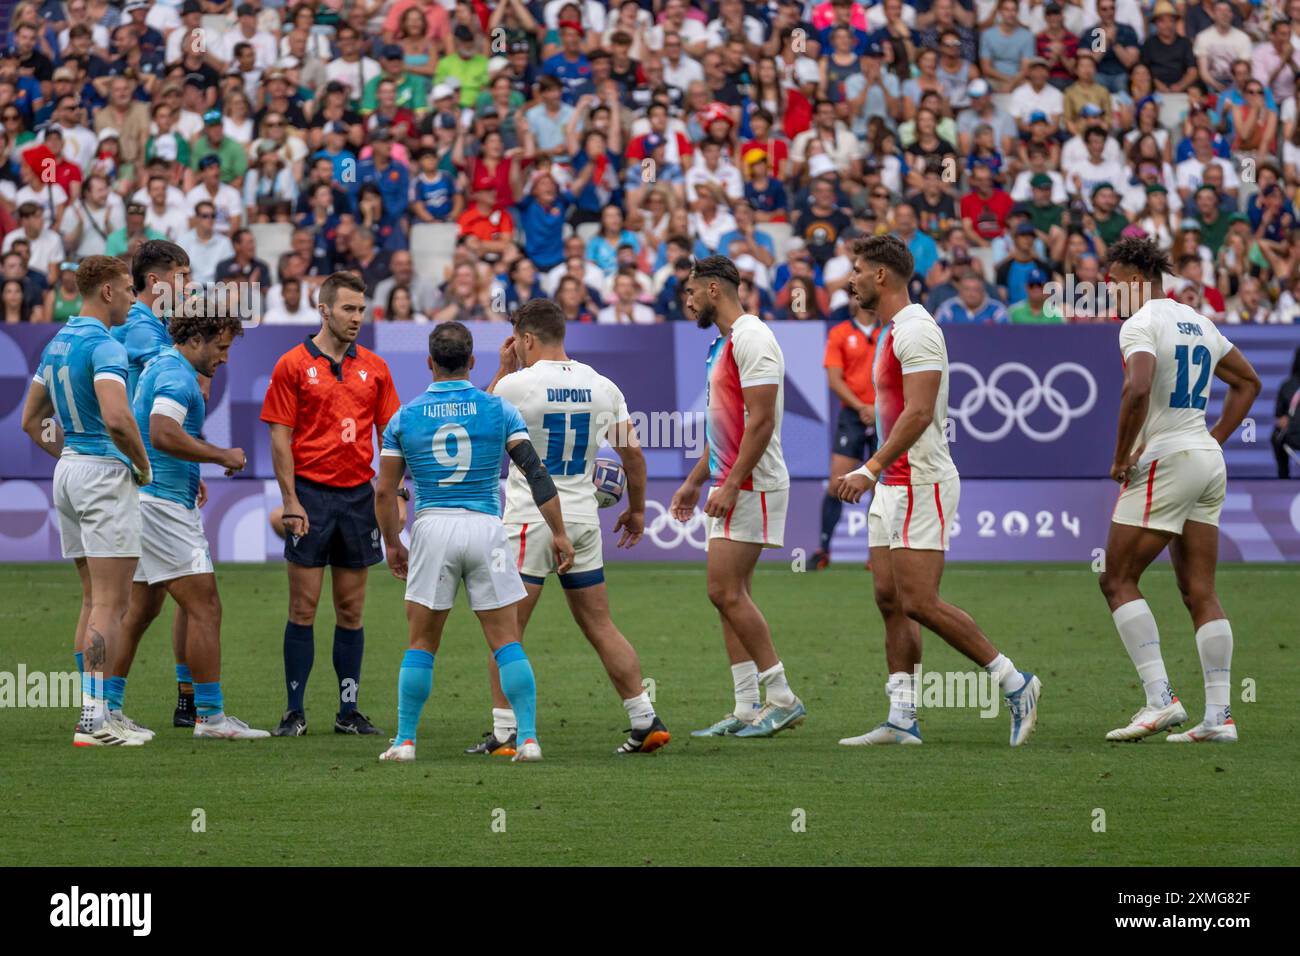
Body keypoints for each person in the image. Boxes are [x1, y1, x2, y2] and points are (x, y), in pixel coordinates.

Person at [835, 234, 1041, 747]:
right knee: (888, 597)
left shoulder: (918, 330)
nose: (850, 279)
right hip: (894, 484)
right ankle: (902, 717)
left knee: (920, 602)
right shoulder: (889, 330)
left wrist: (871, 466)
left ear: (881, 276)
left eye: (857, 269)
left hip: (919, 479)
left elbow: (921, 411)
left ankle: (1016, 684)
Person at [470, 298, 668, 755]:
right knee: (600, 624)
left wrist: (501, 371)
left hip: (530, 518)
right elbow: (633, 455)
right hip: (581, 518)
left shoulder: (516, 384)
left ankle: (505, 732)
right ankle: (644, 717)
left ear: (525, 340)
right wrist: (637, 510)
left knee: (507, 631)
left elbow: (481, 425)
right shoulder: (602, 385)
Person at [374, 321, 574, 763]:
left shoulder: (404, 417)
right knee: (506, 641)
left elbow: (385, 491)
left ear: (429, 363)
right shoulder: (498, 410)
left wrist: (392, 542)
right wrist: (558, 532)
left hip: (432, 529)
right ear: (471, 363)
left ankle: (405, 741)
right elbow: (535, 473)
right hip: (486, 527)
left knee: (421, 642)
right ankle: (527, 739)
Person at [1098, 235, 1262, 743]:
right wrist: (1213, 439)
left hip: (1166, 458)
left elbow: (1138, 387)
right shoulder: (1198, 319)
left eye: (1111, 278)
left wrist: (1122, 454)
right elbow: (1248, 382)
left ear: (1132, 276)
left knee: (1117, 578)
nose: (1107, 287)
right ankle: (1220, 718)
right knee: (1200, 591)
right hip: (1206, 462)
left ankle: (1159, 700)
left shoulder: (1140, 322)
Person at [111, 310, 267, 739]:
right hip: (163, 507)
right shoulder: (178, 378)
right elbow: (162, 432)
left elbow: (155, 434)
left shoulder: (162, 362)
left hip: (146, 497)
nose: (225, 358)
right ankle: (211, 718)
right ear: (197, 339)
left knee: (140, 611)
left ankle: (107, 709)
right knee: (205, 607)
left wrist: (191, 475)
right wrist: (219, 455)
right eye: (221, 347)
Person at [260, 272, 402, 737]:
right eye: (348, 309)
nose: (357, 318)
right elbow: (279, 436)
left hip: (359, 500)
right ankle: (294, 711)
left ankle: (348, 711)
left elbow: (393, 439)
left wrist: (397, 494)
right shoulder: (292, 365)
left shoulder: (376, 368)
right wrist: (290, 500)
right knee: (302, 607)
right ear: (323, 310)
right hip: (311, 498)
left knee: (351, 610)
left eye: (361, 309)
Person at [19, 255, 152, 746]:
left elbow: (30, 422)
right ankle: (96, 720)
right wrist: (141, 464)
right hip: (102, 474)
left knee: (92, 600)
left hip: (69, 470)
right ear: (109, 292)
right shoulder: (106, 347)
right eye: (129, 290)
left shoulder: (56, 343)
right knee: (113, 605)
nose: (135, 299)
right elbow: (119, 419)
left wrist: (69, 453)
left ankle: (96, 713)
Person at [672, 256, 806, 738]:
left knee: (723, 590)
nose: (687, 301)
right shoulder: (723, 345)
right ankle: (747, 705)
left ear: (713, 289)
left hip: (752, 484)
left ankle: (782, 696)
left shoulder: (753, 338)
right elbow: (725, 430)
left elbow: (762, 421)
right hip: (732, 481)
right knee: (731, 596)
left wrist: (728, 484)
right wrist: (694, 480)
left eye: (690, 292)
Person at [110, 239, 202, 726]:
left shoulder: (156, 329)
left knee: (145, 605)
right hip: (146, 479)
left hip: (160, 474)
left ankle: (115, 704)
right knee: (198, 596)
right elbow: (152, 410)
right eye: (182, 275)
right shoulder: (142, 331)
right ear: (155, 281)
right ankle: (203, 709)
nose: (189, 284)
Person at [812, 306, 881, 570]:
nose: (857, 297)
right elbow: (834, 379)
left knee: (880, 489)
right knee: (837, 483)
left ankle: (877, 554)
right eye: (852, 292)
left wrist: (876, 409)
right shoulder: (840, 333)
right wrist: (862, 407)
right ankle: (823, 549)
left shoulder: (889, 332)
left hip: (882, 416)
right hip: (852, 416)